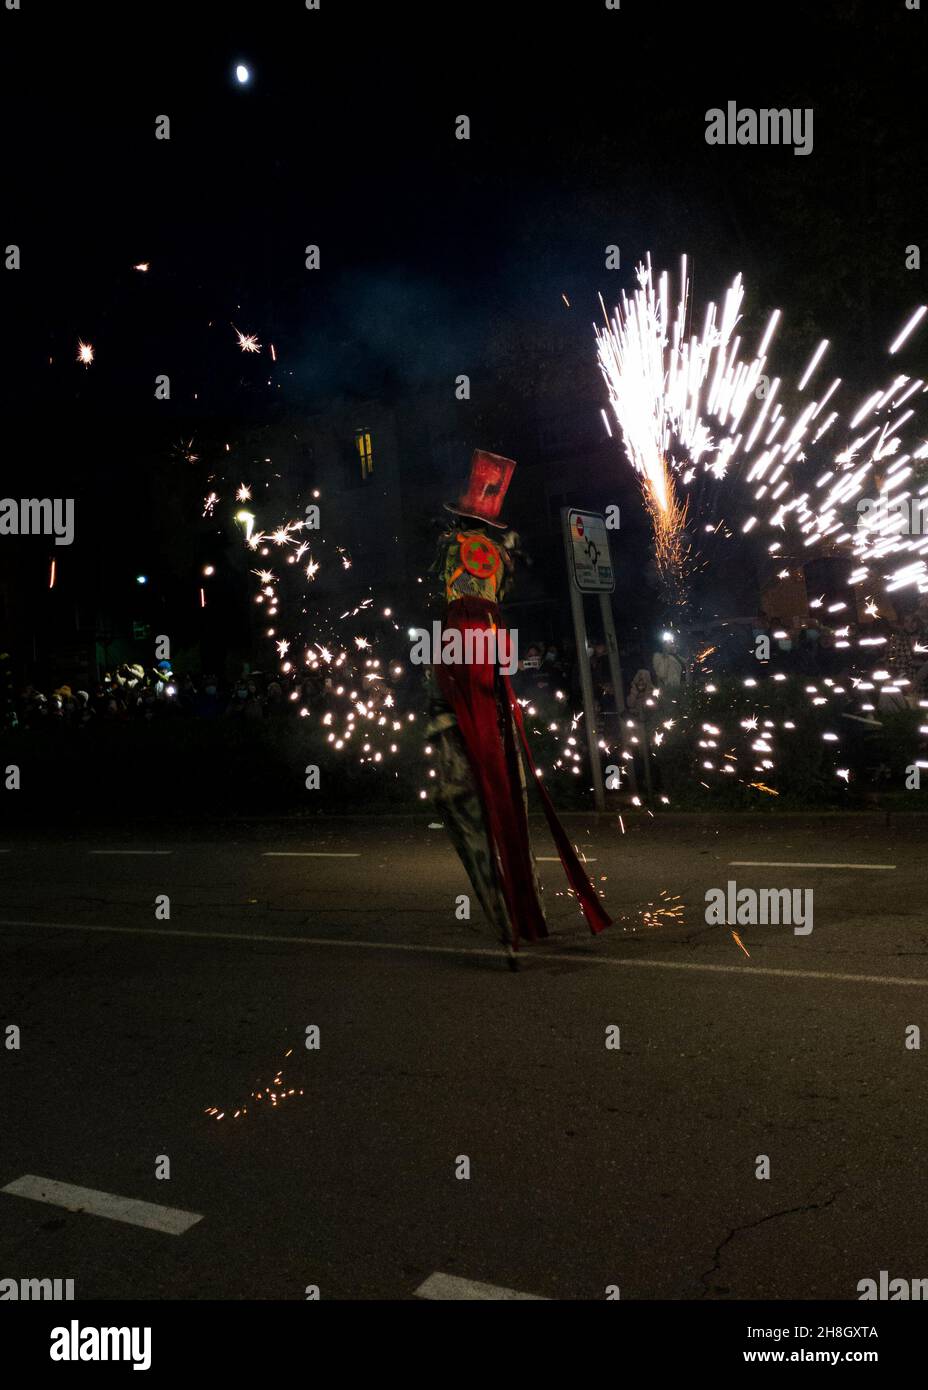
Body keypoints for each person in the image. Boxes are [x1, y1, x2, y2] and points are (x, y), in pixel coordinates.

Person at [426, 448, 611, 969]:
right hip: (488, 652)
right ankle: (520, 914)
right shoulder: (500, 559)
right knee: (505, 779)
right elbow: (494, 594)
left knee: (473, 782)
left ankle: (508, 919)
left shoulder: (446, 549)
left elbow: (442, 600)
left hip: (459, 653)